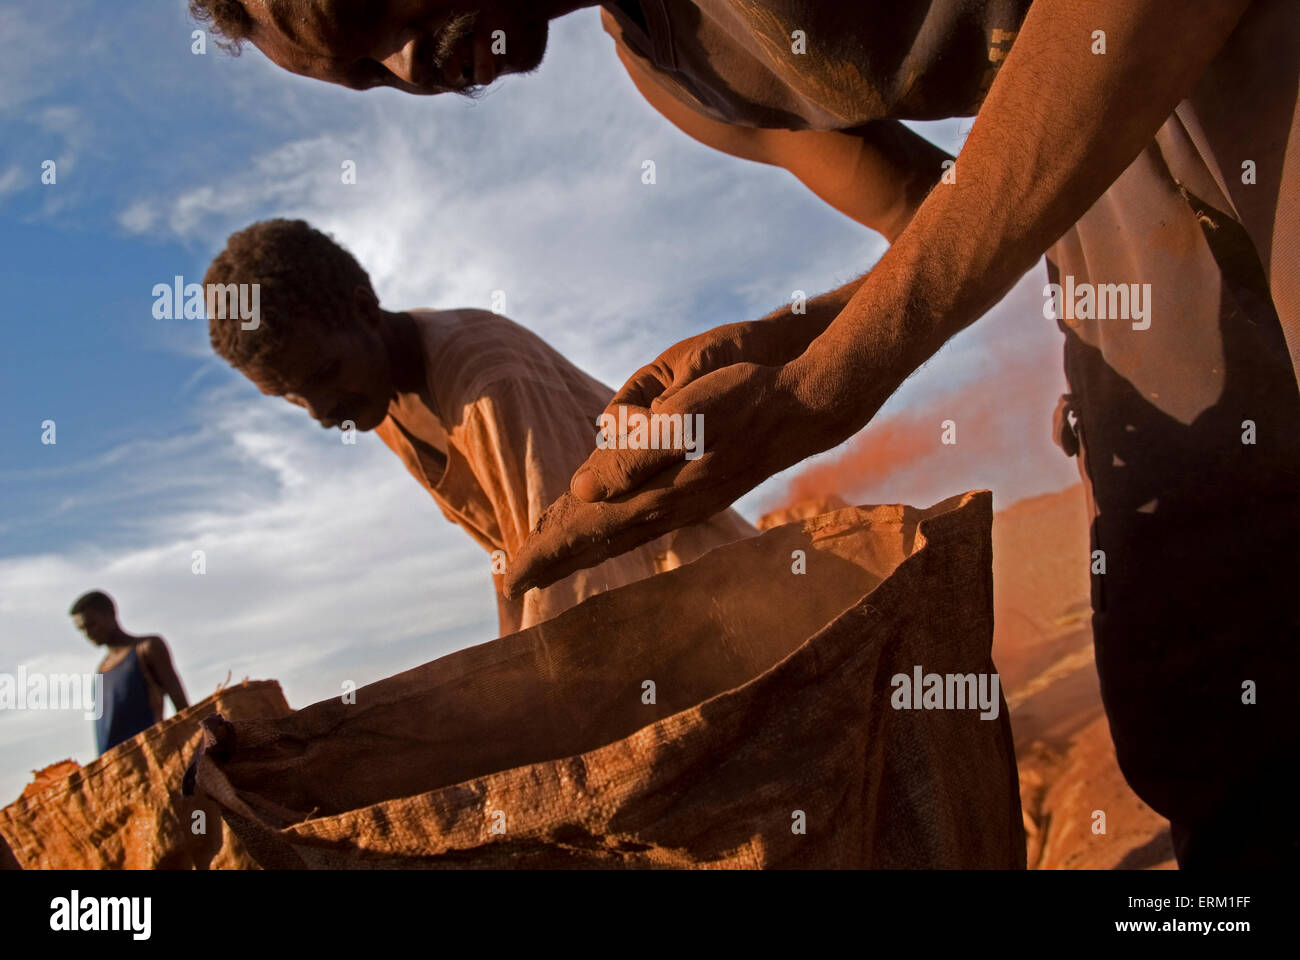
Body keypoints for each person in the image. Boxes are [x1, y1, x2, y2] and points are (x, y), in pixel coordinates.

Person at [188, 1, 1300, 867]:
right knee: (1203, 694)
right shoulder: (686, 70)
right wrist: (780, 342)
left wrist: (828, 384)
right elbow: (939, 211)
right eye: (364, 72)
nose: (407, 69)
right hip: (1114, 200)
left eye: (377, 12)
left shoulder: (483, 376)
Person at [203, 218, 755, 634]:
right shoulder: (384, 404)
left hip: (716, 601)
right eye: (291, 398)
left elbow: (579, 567)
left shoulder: (487, 381)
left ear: (364, 308)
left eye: (324, 375)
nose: (322, 412)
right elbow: (515, 558)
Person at [69, 591, 190, 754]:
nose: (87, 634)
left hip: (154, 756)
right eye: (81, 629)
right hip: (118, 769)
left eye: (91, 625)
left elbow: (184, 710)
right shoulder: (101, 671)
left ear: (110, 615)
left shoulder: (147, 649)